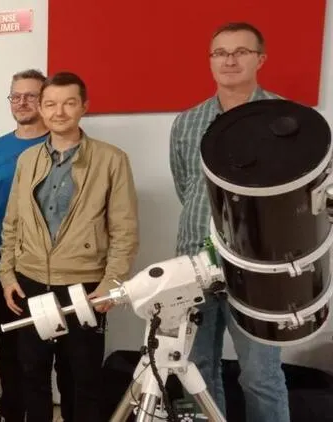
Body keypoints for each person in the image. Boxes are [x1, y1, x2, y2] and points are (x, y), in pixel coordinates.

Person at [0, 71, 139, 422]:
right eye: (50, 104)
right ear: (41, 109)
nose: (59, 112)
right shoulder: (27, 160)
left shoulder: (111, 160)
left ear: (84, 107)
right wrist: (6, 273)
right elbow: (11, 222)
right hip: (30, 280)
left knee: (83, 377)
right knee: (32, 372)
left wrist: (111, 284)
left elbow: (124, 229)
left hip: (84, 285)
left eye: (68, 103)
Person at [170, 22, 288, 422]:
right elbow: (186, 185)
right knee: (198, 370)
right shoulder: (187, 122)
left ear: (261, 59)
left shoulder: (286, 121)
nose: (230, 60)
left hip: (259, 270)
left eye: (241, 52)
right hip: (194, 264)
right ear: (210, 61)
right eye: (220, 53)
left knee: (261, 376)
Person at [0, 69, 51, 422]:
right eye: (15, 96)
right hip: (3, 261)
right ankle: (10, 411)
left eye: (31, 95)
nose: (22, 102)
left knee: (42, 349)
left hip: (49, 266)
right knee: (8, 344)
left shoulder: (61, 144)